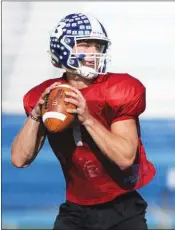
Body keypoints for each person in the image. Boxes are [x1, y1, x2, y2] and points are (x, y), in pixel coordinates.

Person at [11, 13, 156, 230]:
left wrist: (87, 119)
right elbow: (19, 159)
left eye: (97, 46)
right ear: (62, 47)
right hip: (75, 210)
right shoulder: (44, 94)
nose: (93, 52)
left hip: (122, 208)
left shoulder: (118, 89)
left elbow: (125, 157)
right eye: (85, 45)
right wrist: (36, 114)